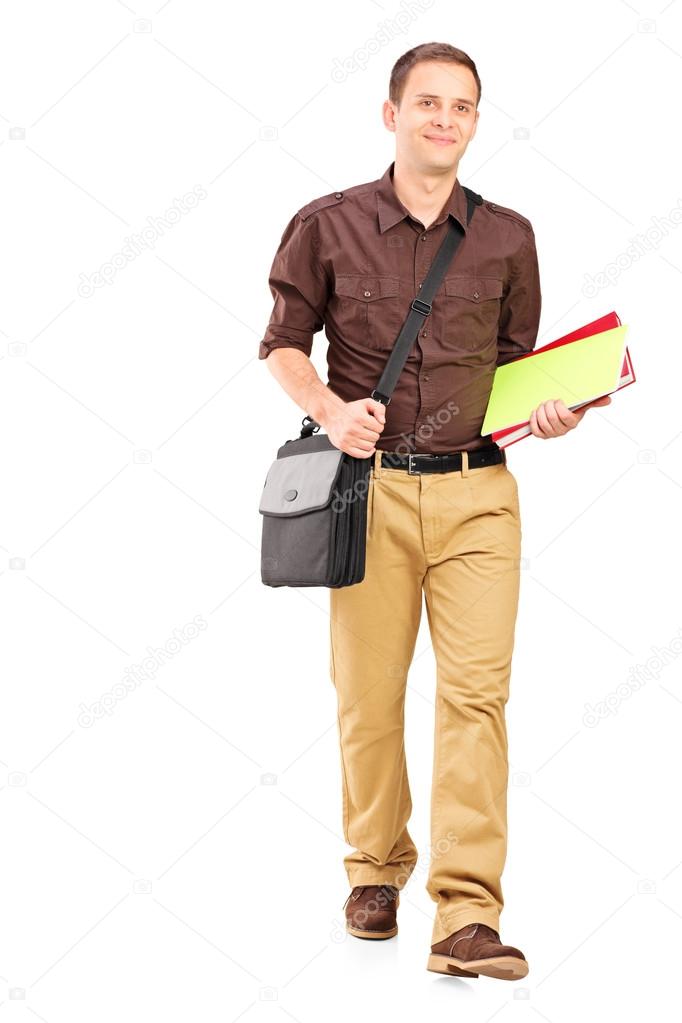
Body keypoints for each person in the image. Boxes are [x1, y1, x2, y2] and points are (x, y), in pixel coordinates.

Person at [258, 41, 610, 982]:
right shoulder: (325, 225)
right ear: (392, 114)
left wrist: (554, 413)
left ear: (475, 123)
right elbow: (282, 345)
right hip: (368, 495)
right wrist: (332, 413)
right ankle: (373, 871)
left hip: (480, 495)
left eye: (461, 106)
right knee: (368, 700)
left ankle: (466, 914)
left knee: (475, 698)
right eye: (426, 103)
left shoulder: (507, 236)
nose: (443, 119)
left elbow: (514, 374)